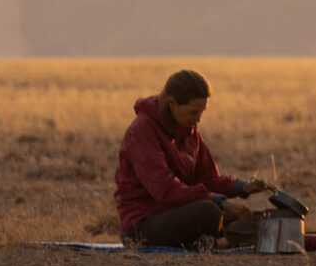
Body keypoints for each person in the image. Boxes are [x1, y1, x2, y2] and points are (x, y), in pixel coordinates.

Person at [114, 69, 267, 247]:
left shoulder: (188, 130)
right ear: (172, 103)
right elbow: (165, 189)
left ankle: (217, 243)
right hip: (142, 225)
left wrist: (241, 187)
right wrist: (220, 201)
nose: (198, 119)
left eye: (202, 112)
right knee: (208, 211)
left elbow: (208, 179)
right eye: (193, 112)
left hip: (180, 213)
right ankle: (224, 241)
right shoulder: (142, 131)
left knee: (258, 219)